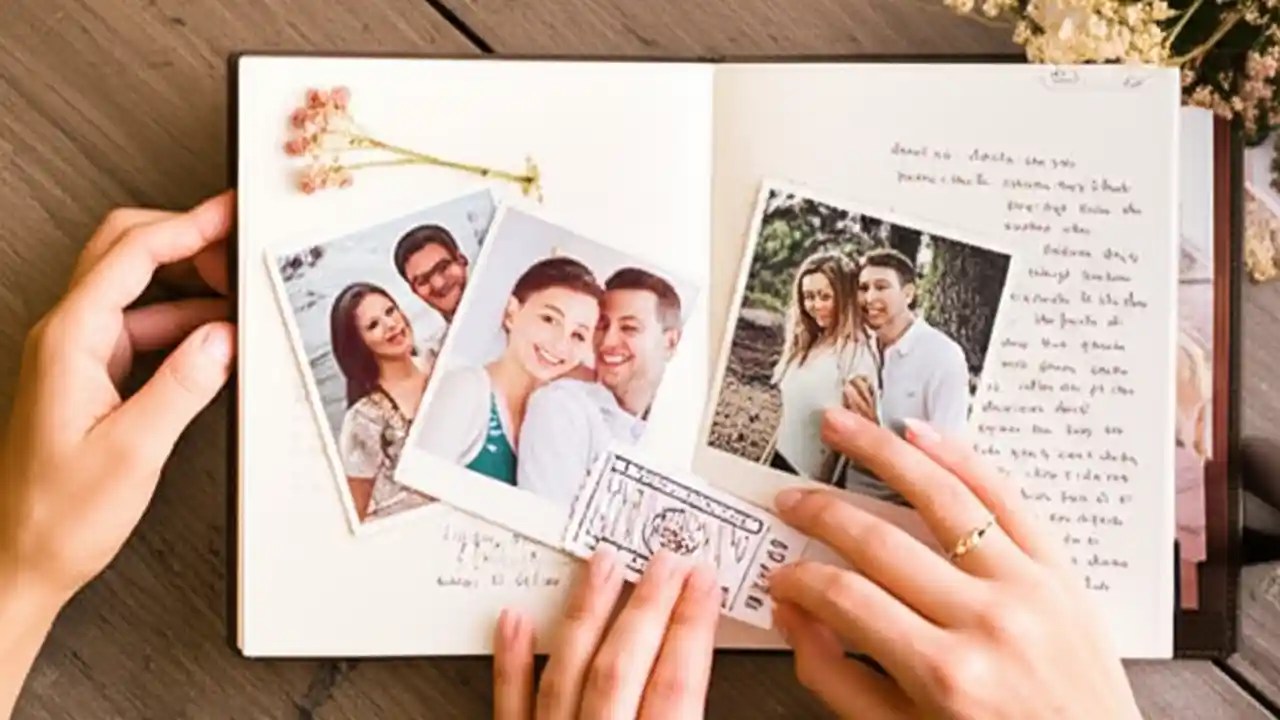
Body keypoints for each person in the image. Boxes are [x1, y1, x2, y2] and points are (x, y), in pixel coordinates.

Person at [1, 191, 1144, 720]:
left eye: (596, 327)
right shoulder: (491, 402)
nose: (583, 343)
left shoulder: (582, 401)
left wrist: (24, 572)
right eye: (567, 323)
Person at [414, 256, 603, 486]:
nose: (561, 344)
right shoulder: (465, 389)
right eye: (549, 319)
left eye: (578, 335)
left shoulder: (561, 419)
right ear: (512, 313)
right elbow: (416, 489)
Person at [515, 267, 683, 506]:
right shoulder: (561, 407)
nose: (607, 342)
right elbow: (541, 519)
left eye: (629, 328)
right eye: (602, 326)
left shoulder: (669, 435)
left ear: (670, 342)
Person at [842, 247, 971, 505]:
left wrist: (876, 436)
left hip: (900, 504)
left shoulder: (943, 355)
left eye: (881, 287)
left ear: (908, 294)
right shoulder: (858, 347)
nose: (869, 297)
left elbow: (948, 453)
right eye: (863, 288)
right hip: (845, 487)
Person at [766, 251, 878, 483]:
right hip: (777, 460)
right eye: (808, 296)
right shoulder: (809, 343)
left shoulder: (856, 356)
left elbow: (858, 439)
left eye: (825, 297)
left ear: (844, 298)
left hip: (808, 478)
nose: (815, 305)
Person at [329, 282, 434, 522]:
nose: (391, 324)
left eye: (390, 311)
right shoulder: (364, 419)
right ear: (359, 345)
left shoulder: (439, 361)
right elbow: (354, 513)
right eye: (373, 325)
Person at [393, 223, 470, 357]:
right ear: (415, 291)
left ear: (461, 260)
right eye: (423, 281)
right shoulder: (438, 357)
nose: (438, 284)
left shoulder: (509, 301)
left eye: (443, 267)